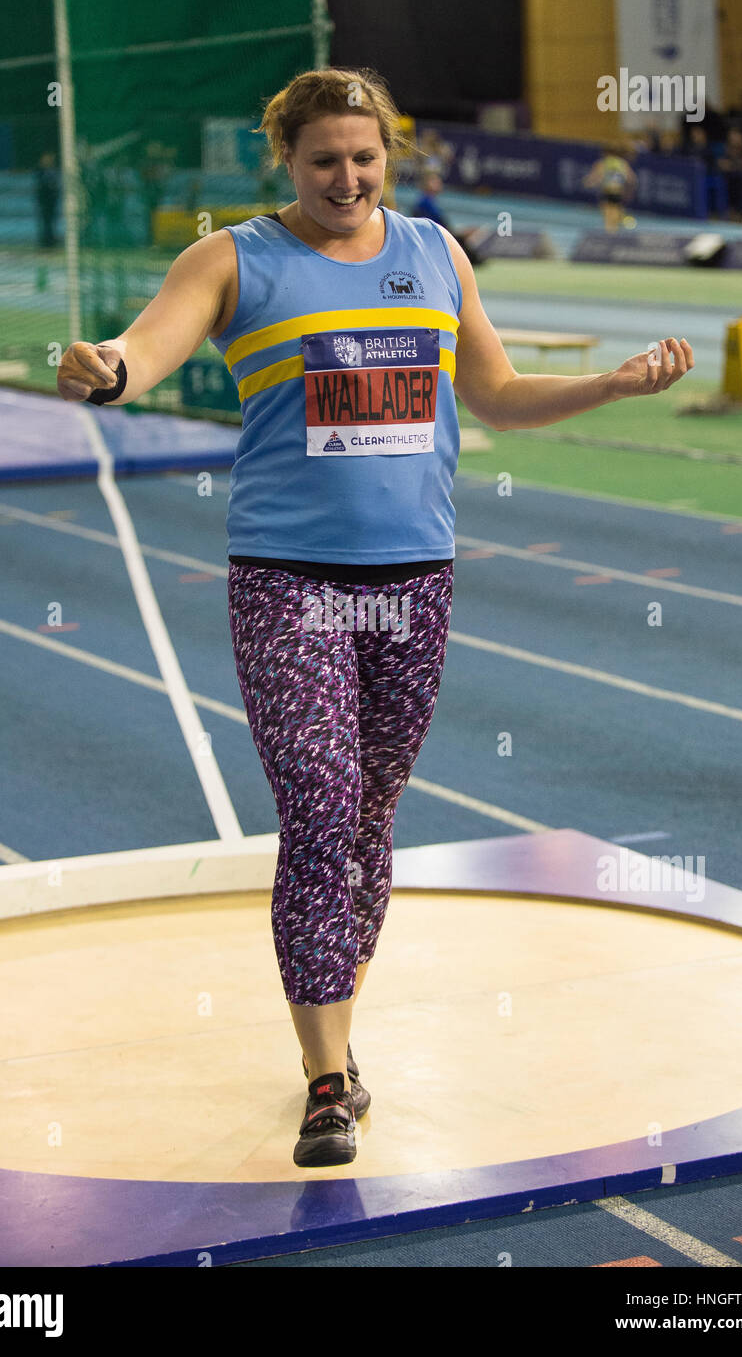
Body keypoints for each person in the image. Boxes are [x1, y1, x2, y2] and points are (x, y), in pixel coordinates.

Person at [56, 66, 693, 1169]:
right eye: (323, 161)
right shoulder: (233, 259)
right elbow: (145, 347)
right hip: (287, 579)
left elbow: (491, 394)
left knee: (366, 825)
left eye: (366, 158)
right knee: (319, 805)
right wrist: (108, 369)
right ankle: (327, 1079)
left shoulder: (436, 255)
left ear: (390, 156)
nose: (347, 178)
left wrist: (611, 385)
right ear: (284, 162)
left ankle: (339, 1023)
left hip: (416, 582)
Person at [411, 169, 487, 265]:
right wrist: (459, 234)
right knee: (460, 240)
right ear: (426, 184)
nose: (439, 184)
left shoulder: (429, 201)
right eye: (435, 182)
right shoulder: (425, 202)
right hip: (433, 238)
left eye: (439, 182)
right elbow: (438, 225)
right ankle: (471, 261)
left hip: (437, 235)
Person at [582, 142, 638, 230]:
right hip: (618, 192)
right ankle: (616, 227)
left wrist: (588, 182)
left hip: (607, 192)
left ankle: (611, 233)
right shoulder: (623, 163)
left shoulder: (603, 162)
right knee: (615, 214)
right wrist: (629, 192)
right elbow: (632, 180)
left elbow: (597, 176)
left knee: (608, 216)